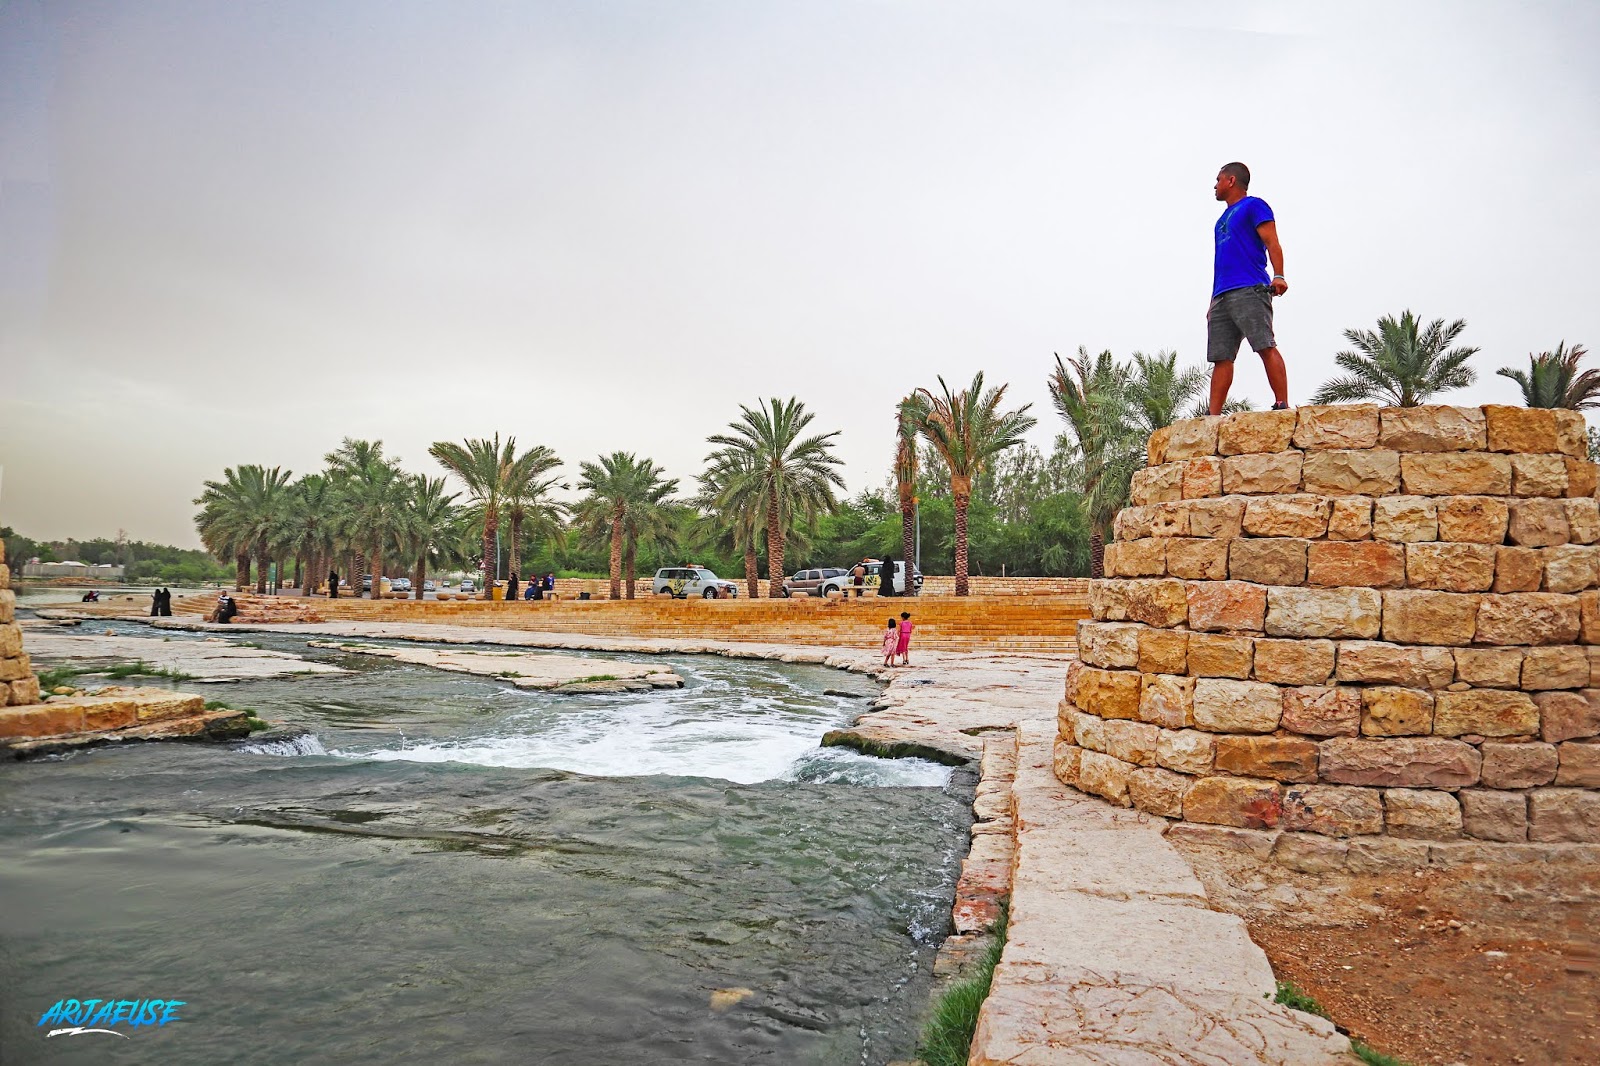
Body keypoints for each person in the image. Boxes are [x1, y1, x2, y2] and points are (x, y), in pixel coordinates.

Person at [1206, 162, 1289, 415]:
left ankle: (1282, 403)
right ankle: (1213, 415)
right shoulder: (1221, 219)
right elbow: (1220, 263)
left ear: (1231, 181)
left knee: (1264, 344)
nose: (1215, 185)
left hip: (1249, 287)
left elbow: (1272, 241)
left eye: (1218, 180)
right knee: (1221, 357)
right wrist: (1212, 302)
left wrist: (1279, 275)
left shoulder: (1254, 206)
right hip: (1222, 294)